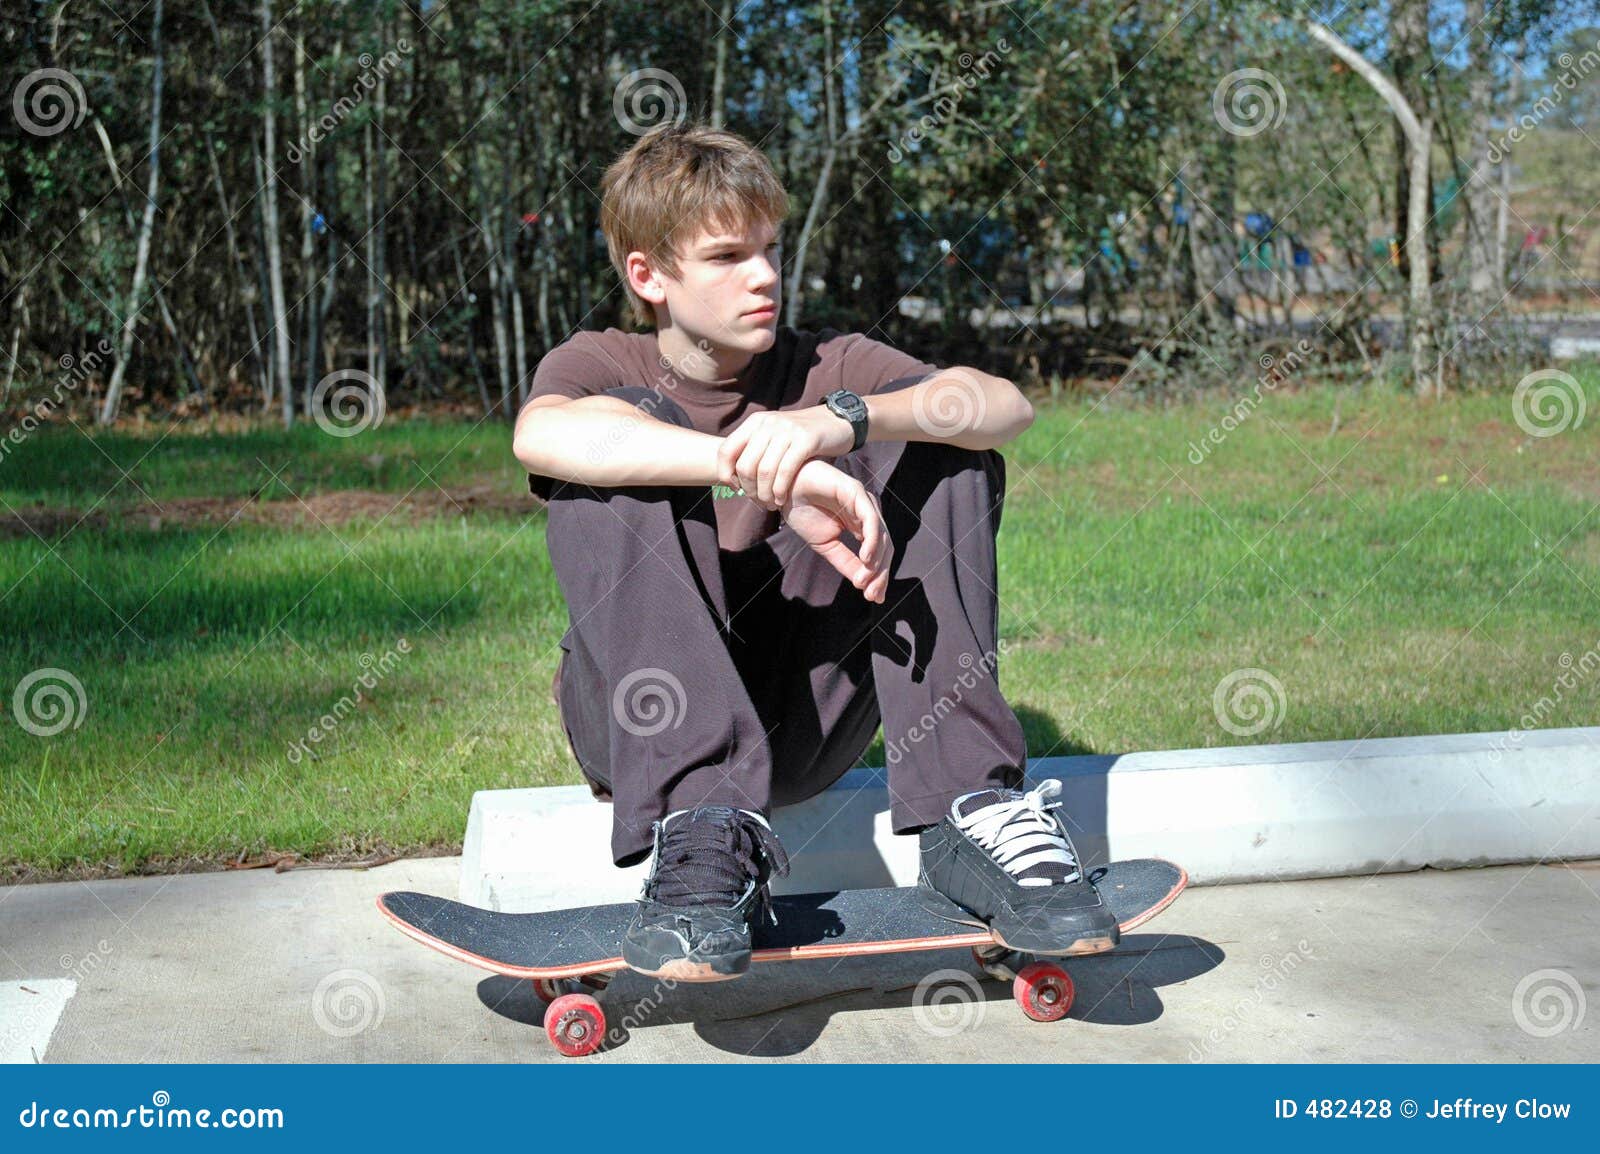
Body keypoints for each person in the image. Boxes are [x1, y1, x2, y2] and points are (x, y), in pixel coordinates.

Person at [512, 121, 1119, 982]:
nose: (763, 276)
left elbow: (1002, 405)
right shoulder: (602, 361)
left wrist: (837, 423)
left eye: (769, 249)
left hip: (809, 719)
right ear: (648, 275)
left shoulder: (828, 363)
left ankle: (970, 810)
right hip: (641, 718)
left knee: (945, 437)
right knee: (612, 454)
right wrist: (764, 472)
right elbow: (540, 437)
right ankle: (700, 837)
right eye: (726, 257)